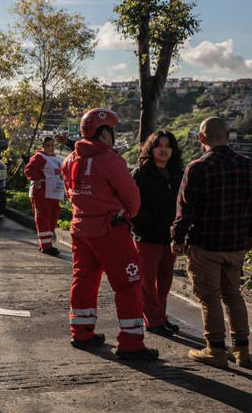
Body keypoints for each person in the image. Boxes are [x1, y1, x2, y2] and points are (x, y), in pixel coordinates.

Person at [61, 108, 158, 360]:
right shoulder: (111, 160)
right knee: (128, 284)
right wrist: (124, 213)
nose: (113, 136)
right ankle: (131, 343)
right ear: (104, 133)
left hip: (81, 229)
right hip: (110, 231)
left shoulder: (70, 160)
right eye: (112, 131)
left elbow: (70, 193)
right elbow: (132, 199)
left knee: (83, 279)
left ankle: (81, 332)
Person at [171, 117, 252, 369]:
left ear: (202, 139)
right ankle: (242, 350)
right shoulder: (248, 165)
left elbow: (185, 210)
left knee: (209, 297)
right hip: (236, 245)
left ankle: (215, 348)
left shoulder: (197, 167)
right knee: (233, 294)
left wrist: (177, 238)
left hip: (206, 245)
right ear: (228, 136)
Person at [131, 131, 183, 336]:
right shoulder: (141, 174)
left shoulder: (177, 173)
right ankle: (152, 320)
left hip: (169, 237)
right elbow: (133, 205)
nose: (163, 150)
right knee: (147, 282)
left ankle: (161, 316)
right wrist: (144, 224)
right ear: (150, 149)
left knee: (165, 280)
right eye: (158, 145)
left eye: (168, 146)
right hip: (147, 237)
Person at [24, 136, 64, 256]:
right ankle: (46, 246)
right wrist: (37, 179)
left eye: (52, 145)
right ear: (43, 146)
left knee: (53, 218)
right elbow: (28, 169)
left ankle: (48, 243)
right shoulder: (39, 157)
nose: (50, 148)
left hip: (55, 193)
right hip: (43, 193)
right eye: (48, 146)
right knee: (44, 219)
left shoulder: (57, 158)